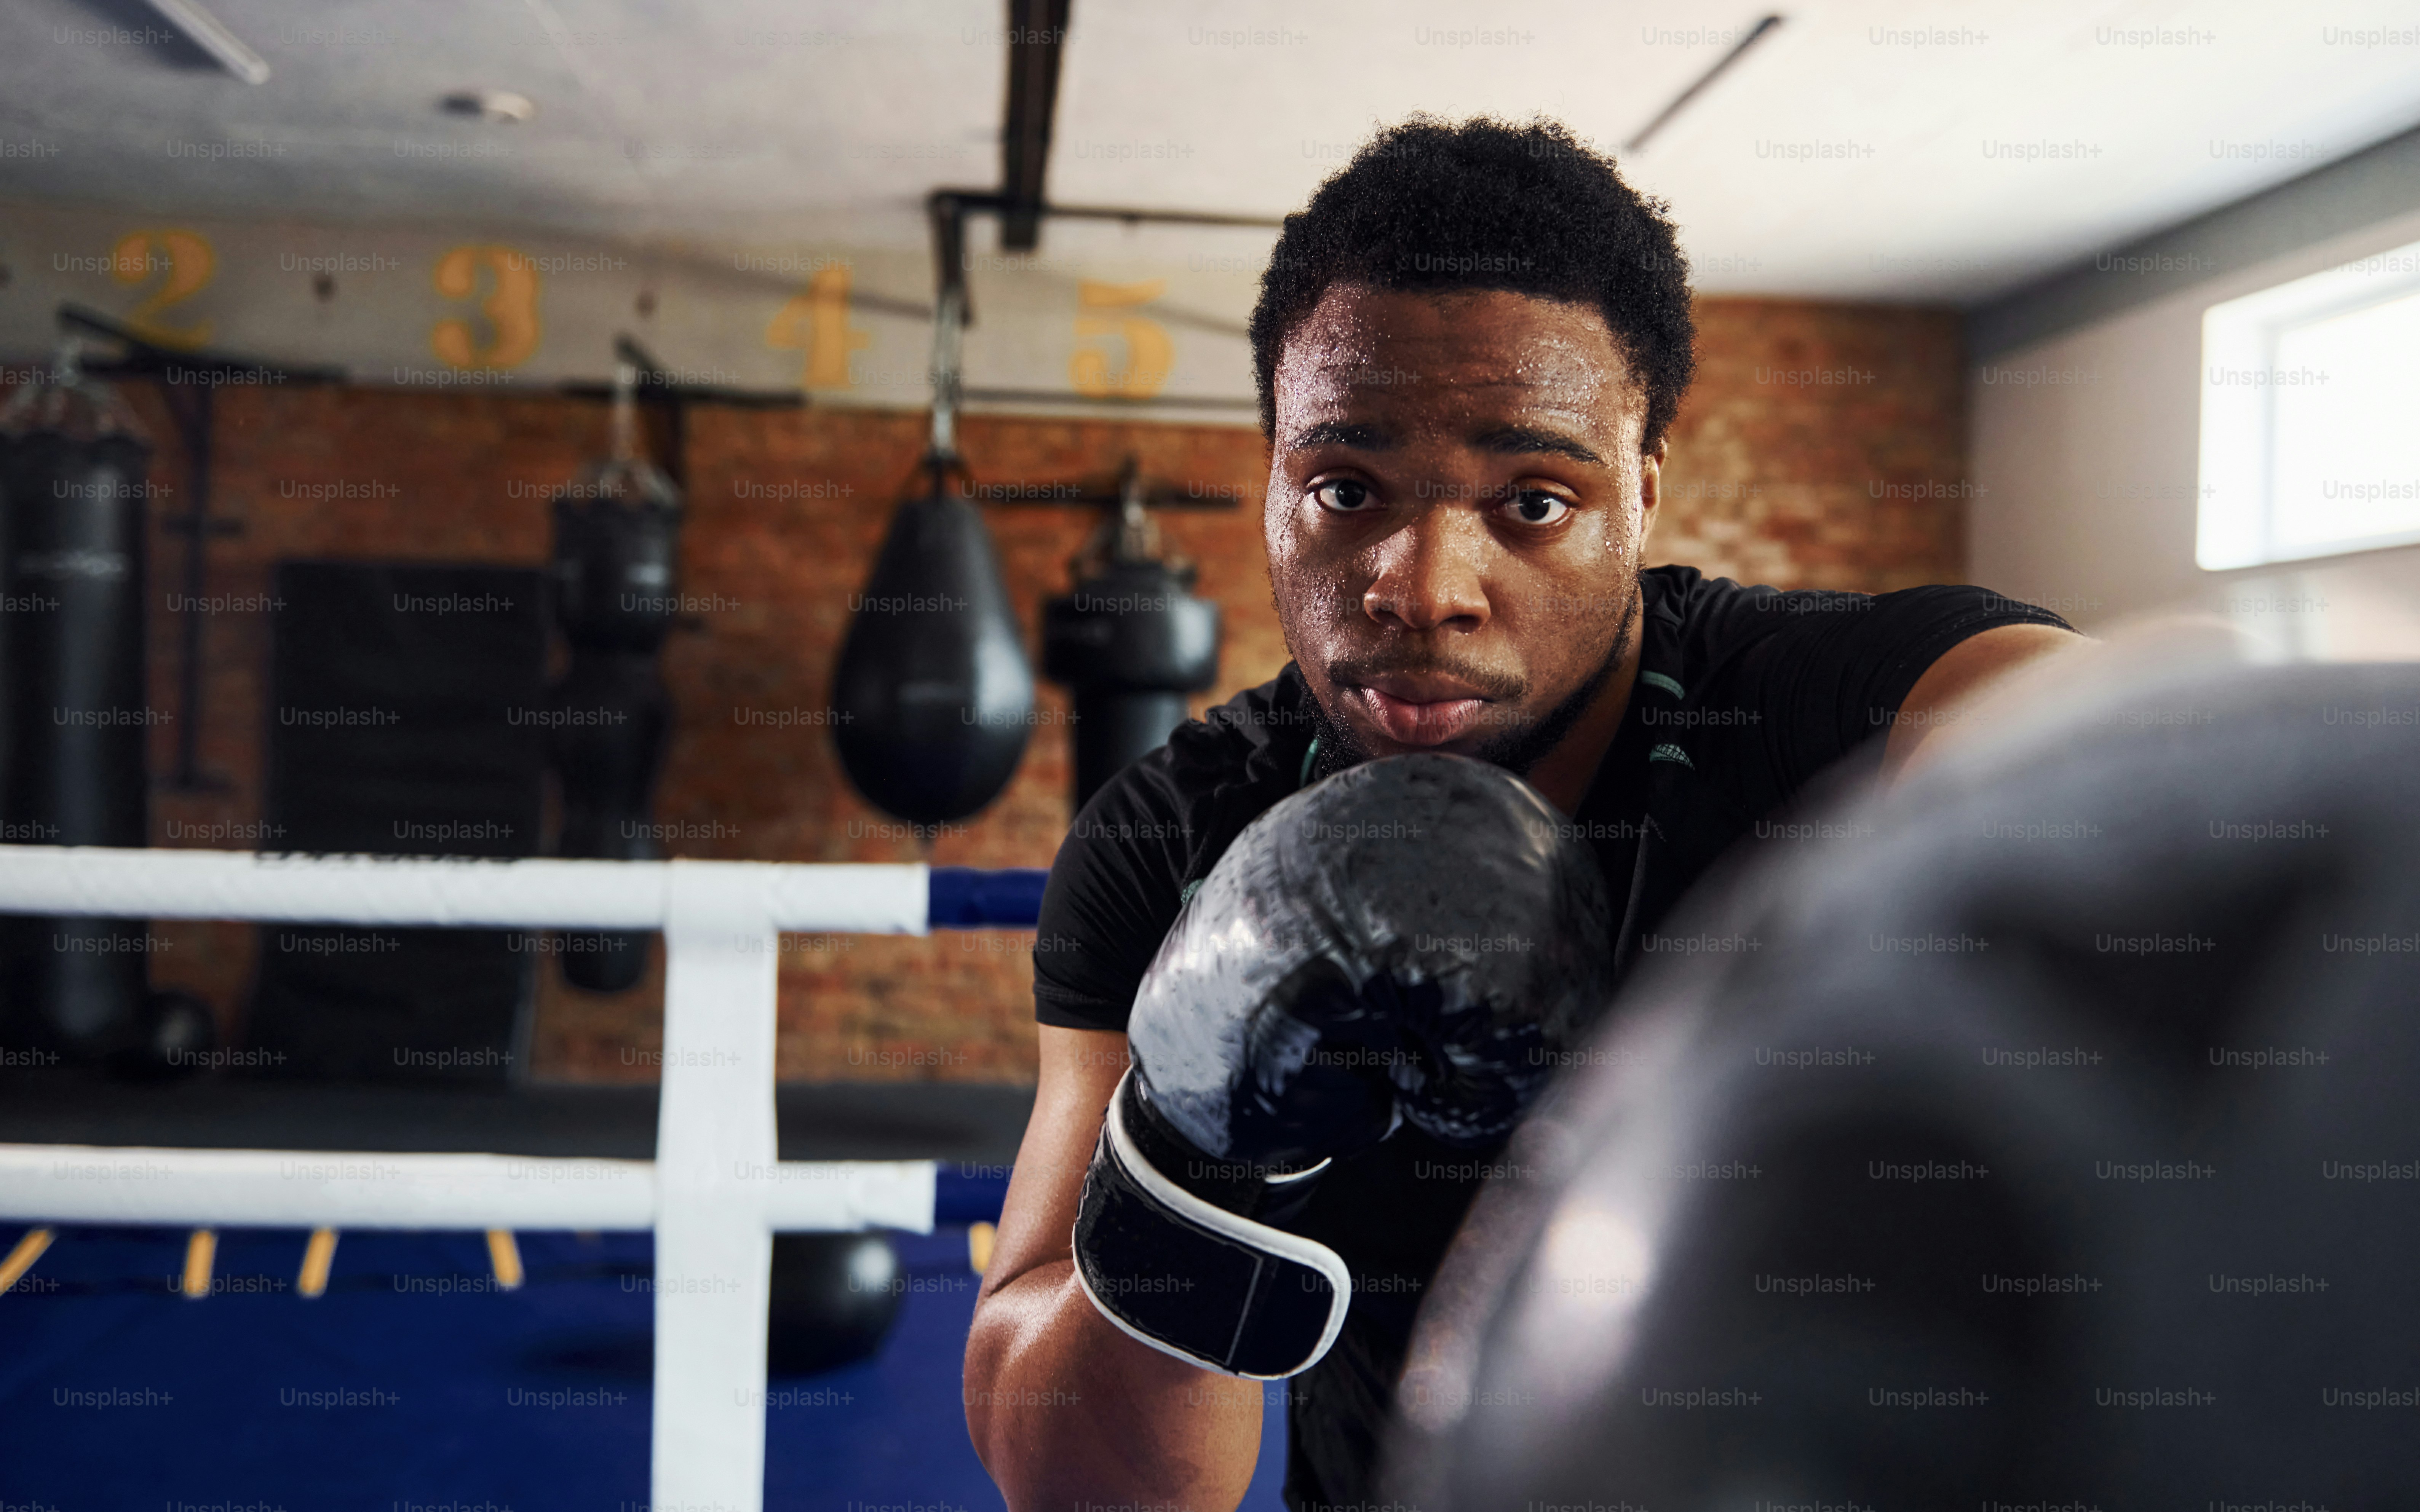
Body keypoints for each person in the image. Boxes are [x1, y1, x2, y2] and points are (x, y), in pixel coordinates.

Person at [962, 114, 2083, 1512]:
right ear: (1269, 485)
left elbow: (2101, 743)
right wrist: (1197, 1145)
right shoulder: (1176, 835)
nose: (1421, 581)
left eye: (1533, 500)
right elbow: (1082, 1483)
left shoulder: (1823, 719)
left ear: (1643, 494)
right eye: (1343, 488)